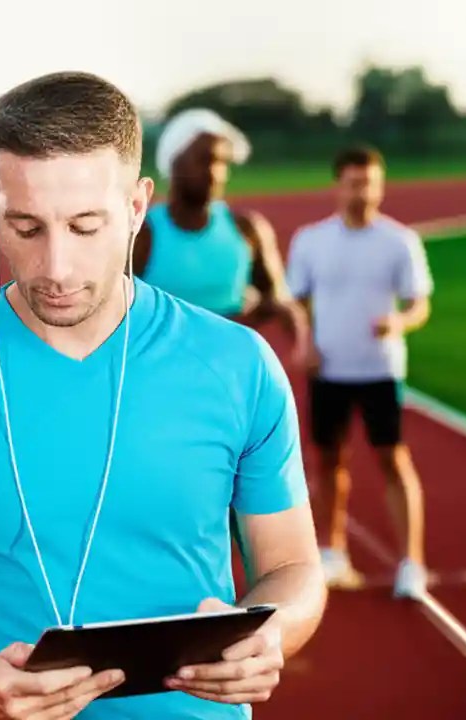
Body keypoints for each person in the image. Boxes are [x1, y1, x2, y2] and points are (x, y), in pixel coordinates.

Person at [0, 72, 326, 720]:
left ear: (137, 206)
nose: (57, 267)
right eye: (25, 226)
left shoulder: (239, 367)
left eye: (85, 226)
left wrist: (270, 632)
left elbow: (295, 567)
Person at [131, 108, 311, 585]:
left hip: (237, 397)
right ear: (172, 163)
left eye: (222, 162)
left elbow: (279, 296)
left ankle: (255, 629)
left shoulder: (248, 230)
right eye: (203, 160)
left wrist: (292, 321)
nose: (215, 173)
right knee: (172, 526)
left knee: (259, 528)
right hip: (156, 401)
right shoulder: (144, 235)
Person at [285, 145, 432, 599]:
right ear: (338, 185)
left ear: (381, 186)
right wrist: (305, 343)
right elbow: (297, 300)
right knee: (330, 459)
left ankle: (412, 562)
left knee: (392, 457)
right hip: (329, 368)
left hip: (380, 369)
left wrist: (399, 322)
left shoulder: (399, 241)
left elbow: (419, 302)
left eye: (369, 182)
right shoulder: (311, 240)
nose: (361, 191)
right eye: (353, 182)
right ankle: (334, 552)